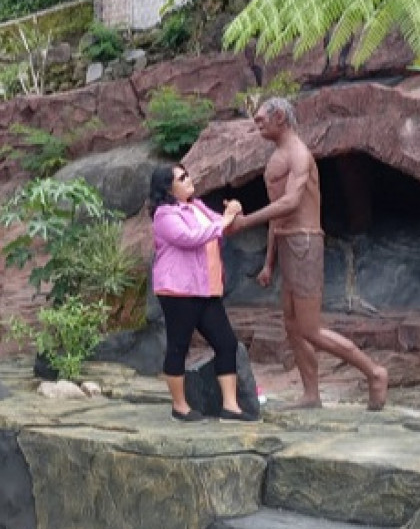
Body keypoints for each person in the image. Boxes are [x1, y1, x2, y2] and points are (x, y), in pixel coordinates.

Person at [228, 97, 389, 410]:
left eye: (261, 119)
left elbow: (290, 204)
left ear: (279, 117)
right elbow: (279, 213)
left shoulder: (300, 155)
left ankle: (374, 372)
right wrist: (268, 261)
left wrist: (245, 221)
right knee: (291, 324)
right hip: (288, 243)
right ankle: (311, 393)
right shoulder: (278, 156)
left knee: (310, 328)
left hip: (304, 244)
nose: (257, 125)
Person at [150, 164, 257, 423]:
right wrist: (226, 218)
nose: (189, 179)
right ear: (168, 188)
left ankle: (230, 407)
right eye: (181, 177)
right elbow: (192, 237)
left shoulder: (197, 206)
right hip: (178, 290)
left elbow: (220, 228)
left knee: (227, 343)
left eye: (187, 174)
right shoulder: (164, 214)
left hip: (206, 289)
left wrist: (234, 213)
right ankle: (180, 406)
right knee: (178, 346)